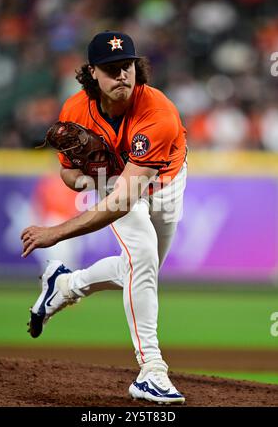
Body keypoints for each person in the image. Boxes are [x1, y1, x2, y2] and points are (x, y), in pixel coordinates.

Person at [21, 31, 187, 404]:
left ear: (136, 67)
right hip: (113, 180)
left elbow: (124, 200)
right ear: (92, 73)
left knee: (142, 271)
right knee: (141, 259)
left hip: (165, 184)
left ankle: (65, 286)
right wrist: (84, 179)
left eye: (126, 66)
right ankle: (152, 370)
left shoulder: (158, 113)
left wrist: (56, 233)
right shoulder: (75, 109)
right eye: (111, 69)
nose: (122, 76)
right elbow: (67, 172)